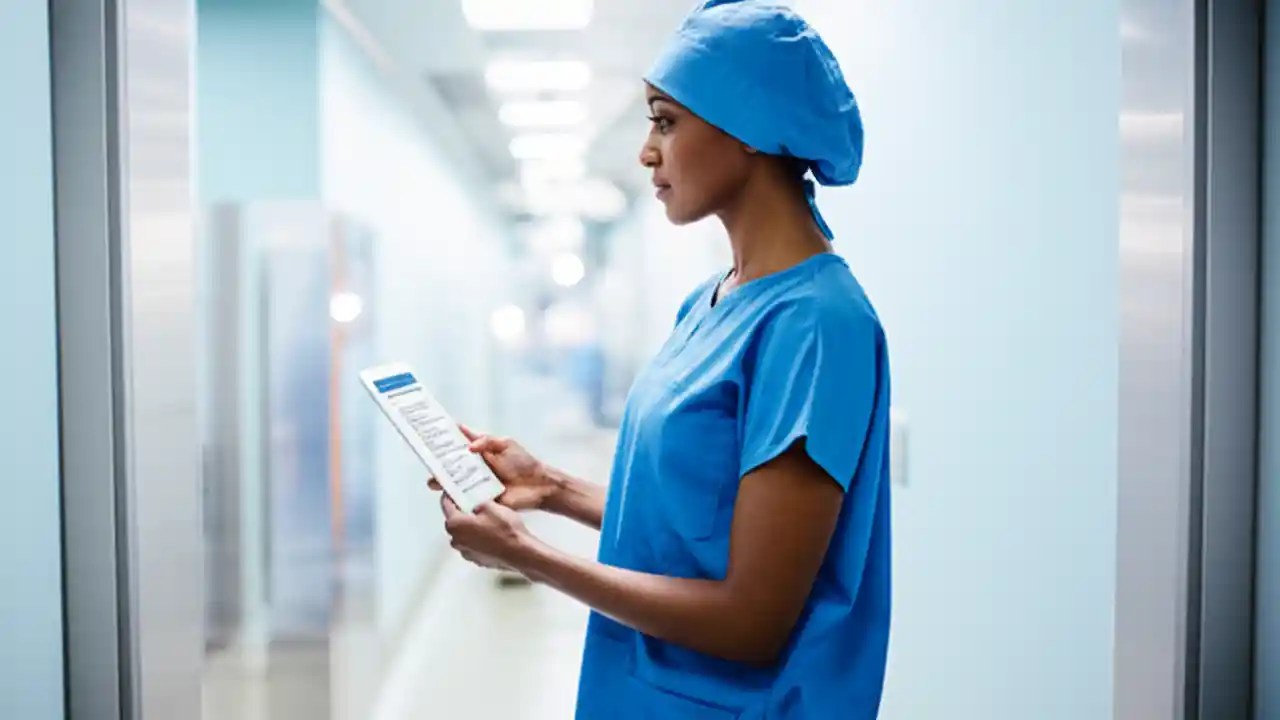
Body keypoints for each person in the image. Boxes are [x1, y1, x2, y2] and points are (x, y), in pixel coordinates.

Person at [434, 1, 891, 717]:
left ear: (751, 128)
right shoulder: (710, 302)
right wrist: (549, 486)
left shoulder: (816, 325)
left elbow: (751, 621)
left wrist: (529, 556)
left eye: (666, 120)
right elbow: (693, 527)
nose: (647, 150)